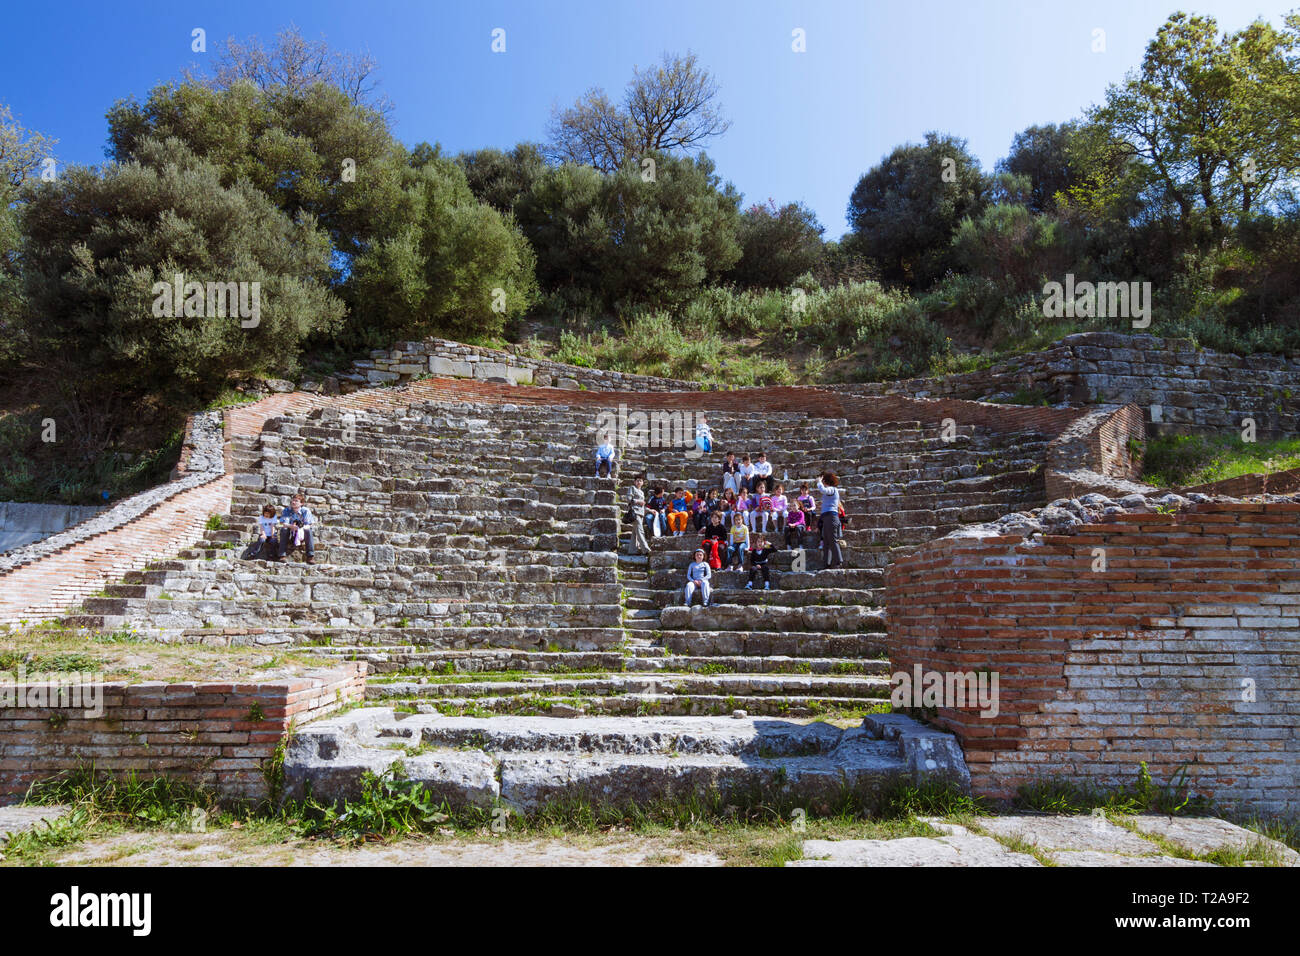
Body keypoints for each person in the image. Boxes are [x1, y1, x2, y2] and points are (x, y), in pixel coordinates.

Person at [278, 494, 315, 564]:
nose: (293, 502)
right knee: (284, 529)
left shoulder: (305, 511)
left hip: (302, 534)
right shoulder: (287, 510)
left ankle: (310, 556)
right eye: (293, 500)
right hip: (291, 533)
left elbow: (309, 524)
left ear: (301, 503)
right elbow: (284, 523)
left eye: (296, 501)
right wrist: (292, 527)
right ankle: (282, 555)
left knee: (308, 530)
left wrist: (299, 528)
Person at [817, 472, 844, 570]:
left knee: (832, 540)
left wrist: (819, 482)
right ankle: (826, 564)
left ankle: (838, 561)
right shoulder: (832, 490)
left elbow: (823, 490)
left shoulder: (832, 489)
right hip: (827, 517)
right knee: (826, 541)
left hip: (831, 517)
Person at [626, 475, 650, 555]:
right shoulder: (632, 488)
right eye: (637, 480)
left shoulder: (642, 492)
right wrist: (638, 501)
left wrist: (650, 510)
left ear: (643, 483)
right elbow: (629, 499)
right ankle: (646, 549)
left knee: (635, 532)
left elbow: (642, 504)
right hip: (635, 512)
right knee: (640, 531)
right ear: (634, 481)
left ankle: (632, 550)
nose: (639, 482)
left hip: (641, 513)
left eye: (641, 481)